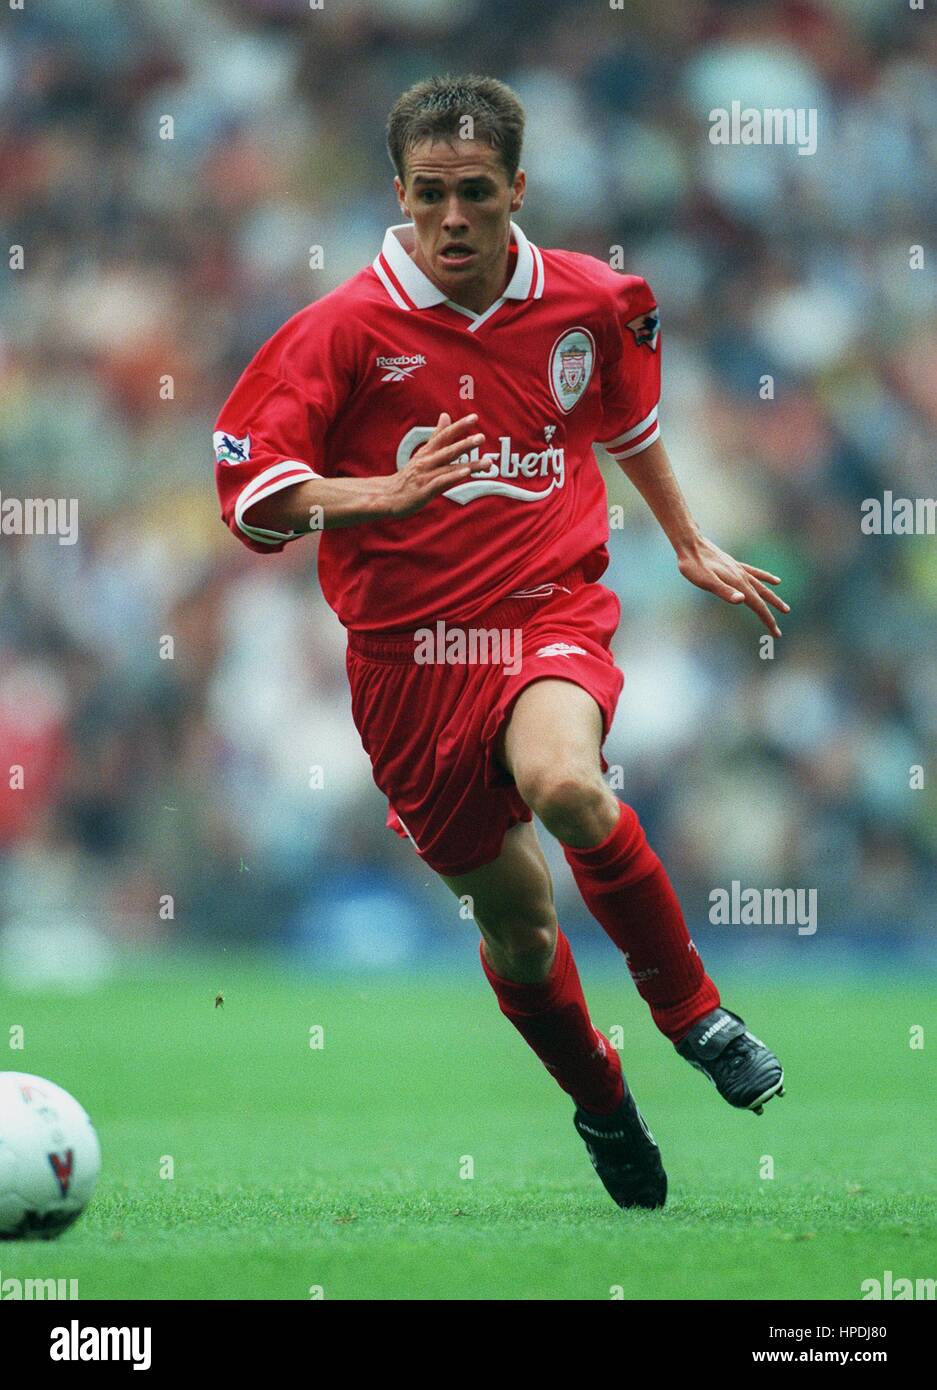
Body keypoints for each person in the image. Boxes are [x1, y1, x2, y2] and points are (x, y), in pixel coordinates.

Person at [213, 74, 787, 1210]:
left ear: (519, 187)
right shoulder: (338, 332)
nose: (455, 217)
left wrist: (684, 538)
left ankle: (696, 1014)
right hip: (407, 666)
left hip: (543, 611)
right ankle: (602, 1102)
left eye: (477, 191)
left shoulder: (588, 301)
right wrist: (382, 496)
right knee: (521, 934)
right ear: (401, 194)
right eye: (432, 194)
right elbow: (248, 497)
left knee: (570, 784)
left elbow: (624, 416)